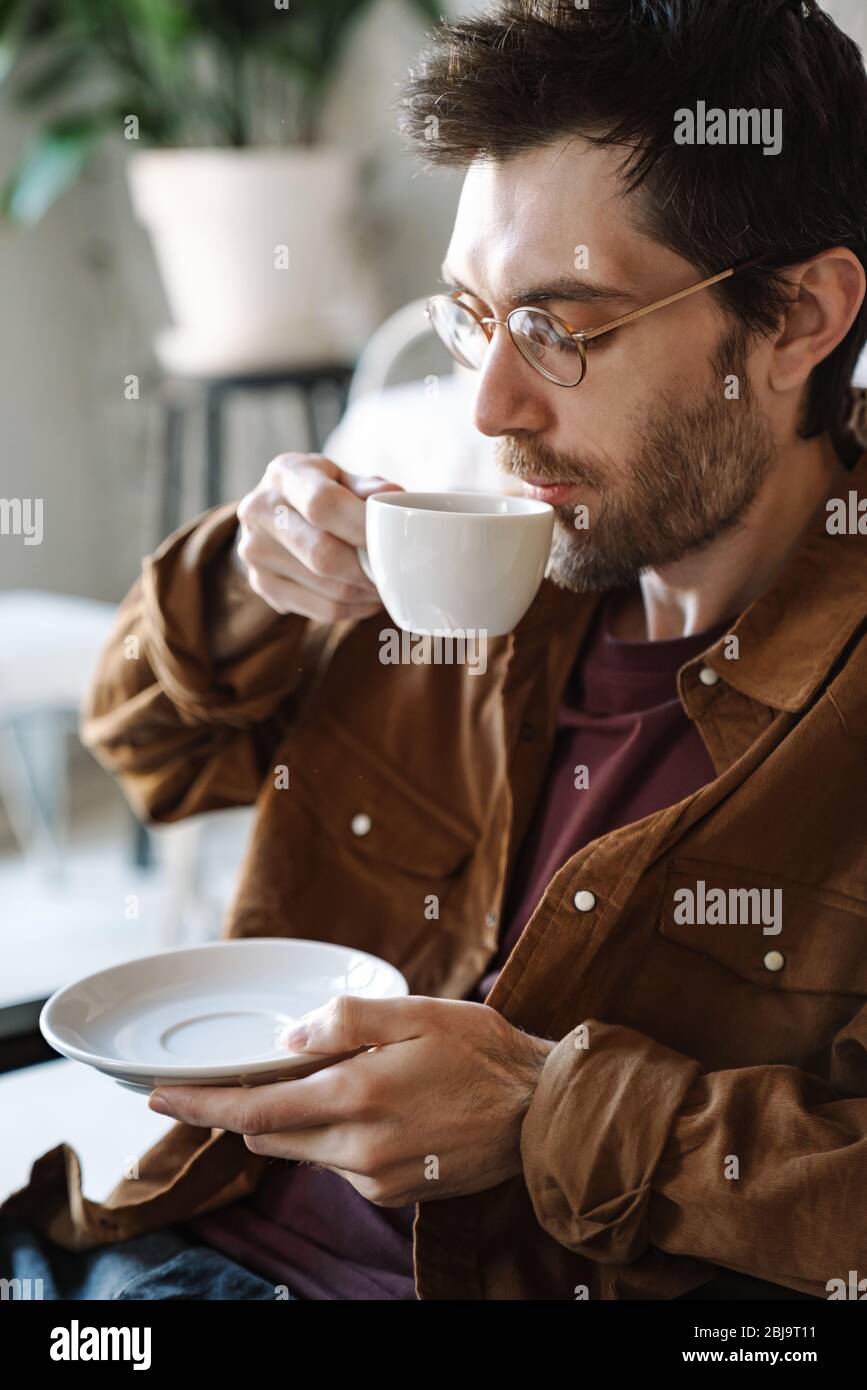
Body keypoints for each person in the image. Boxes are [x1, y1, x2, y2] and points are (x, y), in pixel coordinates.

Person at [2, 0, 866, 1301]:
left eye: (563, 329)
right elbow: (144, 750)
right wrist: (245, 576)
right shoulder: (445, 558)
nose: (489, 408)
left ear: (799, 319)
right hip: (145, 1248)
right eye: (474, 315)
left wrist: (546, 1111)